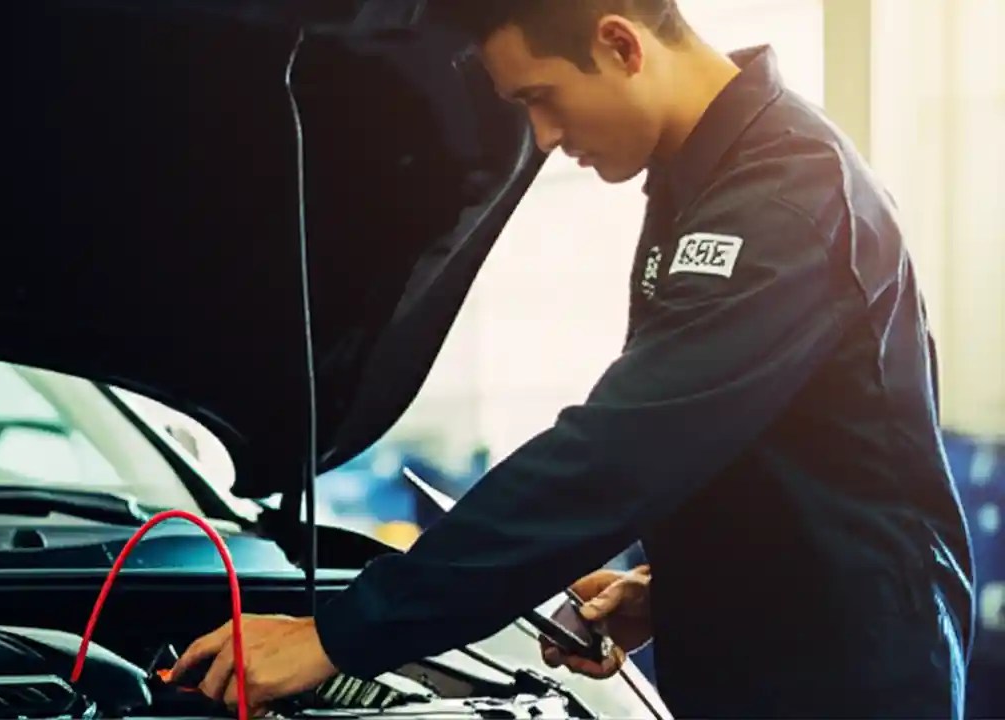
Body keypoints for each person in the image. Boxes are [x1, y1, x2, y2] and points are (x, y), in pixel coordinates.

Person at [172, 1, 977, 716]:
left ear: (622, 45)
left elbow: (617, 453)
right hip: (774, 649)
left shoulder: (781, 201)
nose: (545, 138)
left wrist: (342, 636)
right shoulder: (708, 175)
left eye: (540, 98)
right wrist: (684, 586)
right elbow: (767, 439)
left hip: (844, 681)